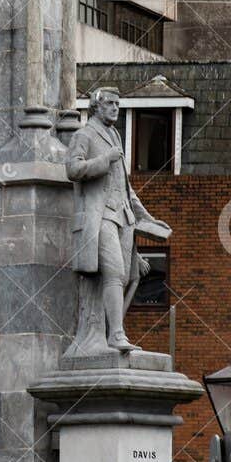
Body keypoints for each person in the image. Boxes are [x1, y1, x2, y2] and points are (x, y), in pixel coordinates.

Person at [65, 87, 171, 356]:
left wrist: (146, 216)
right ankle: (116, 335)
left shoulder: (115, 135)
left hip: (122, 216)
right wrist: (105, 160)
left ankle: (113, 332)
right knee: (113, 272)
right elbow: (73, 170)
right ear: (96, 107)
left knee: (124, 276)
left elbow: (124, 186)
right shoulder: (83, 134)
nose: (115, 108)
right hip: (100, 216)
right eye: (110, 104)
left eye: (118, 104)